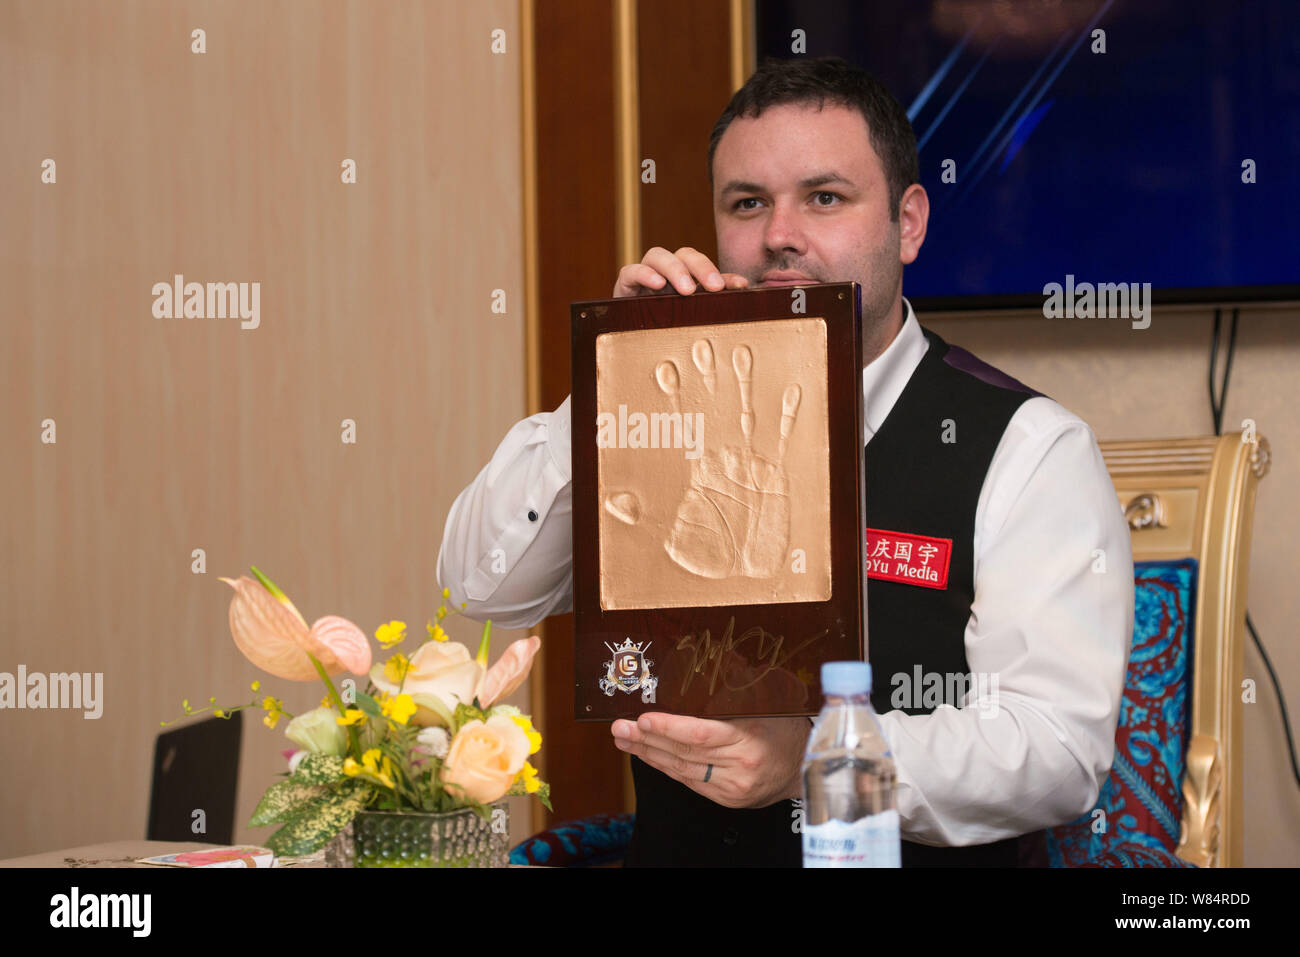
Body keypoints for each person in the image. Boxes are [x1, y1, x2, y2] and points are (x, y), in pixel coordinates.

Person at [437, 56, 1133, 866]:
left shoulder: (1028, 447)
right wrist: (609, 380)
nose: (779, 236)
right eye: (747, 203)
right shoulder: (656, 406)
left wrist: (820, 762)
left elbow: (1056, 753)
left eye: (825, 198)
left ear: (907, 224)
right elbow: (477, 589)